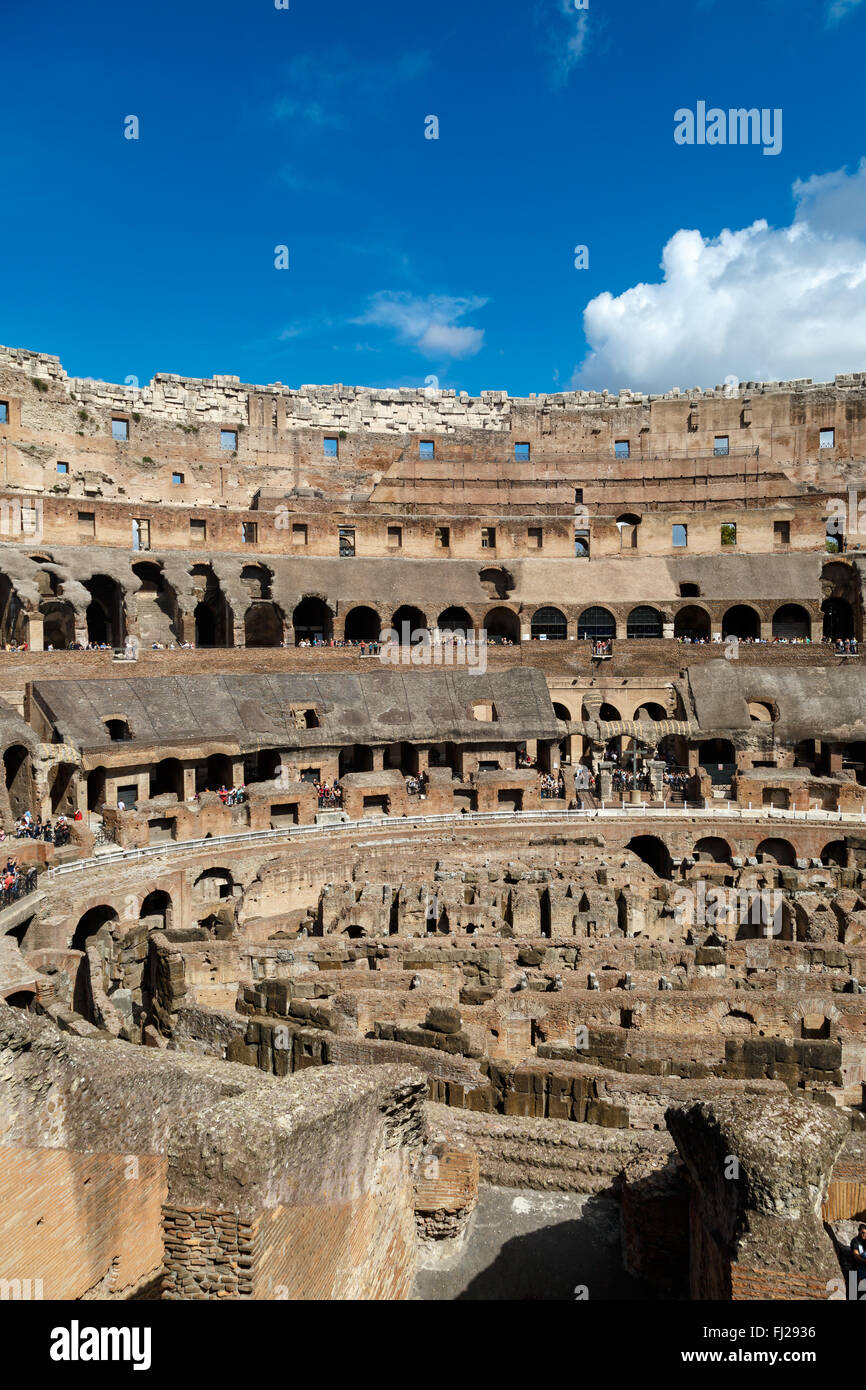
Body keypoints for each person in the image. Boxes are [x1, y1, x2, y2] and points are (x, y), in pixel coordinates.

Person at [850, 1224, 866, 1294]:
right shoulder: (855, 1241)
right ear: (859, 1231)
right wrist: (864, 1261)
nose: (864, 1235)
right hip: (856, 1267)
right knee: (853, 1294)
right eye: (862, 1232)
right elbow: (855, 1255)